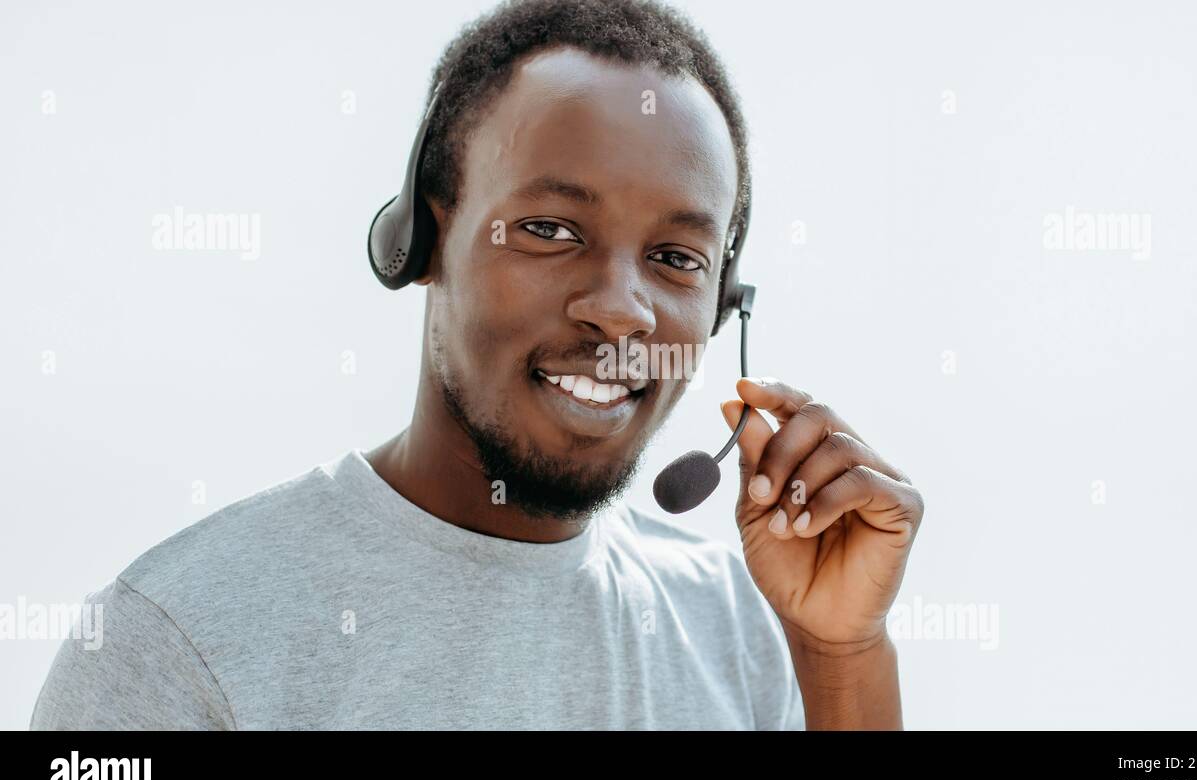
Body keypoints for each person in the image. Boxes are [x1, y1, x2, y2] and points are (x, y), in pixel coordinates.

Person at [30, 0, 923, 731]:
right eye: (548, 230)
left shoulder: (743, 628)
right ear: (422, 237)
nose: (623, 307)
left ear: (725, 308)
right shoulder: (175, 642)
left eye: (677, 258)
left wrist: (842, 660)